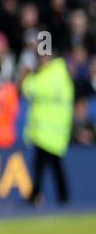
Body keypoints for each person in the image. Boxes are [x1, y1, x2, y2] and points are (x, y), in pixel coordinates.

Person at [21, 46, 74, 206]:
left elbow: (31, 88)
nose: (41, 61)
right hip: (54, 131)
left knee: (41, 166)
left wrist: (28, 76)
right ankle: (60, 197)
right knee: (52, 166)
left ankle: (36, 195)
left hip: (47, 131)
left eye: (42, 57)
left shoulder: (52, 74)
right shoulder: (62, 75)